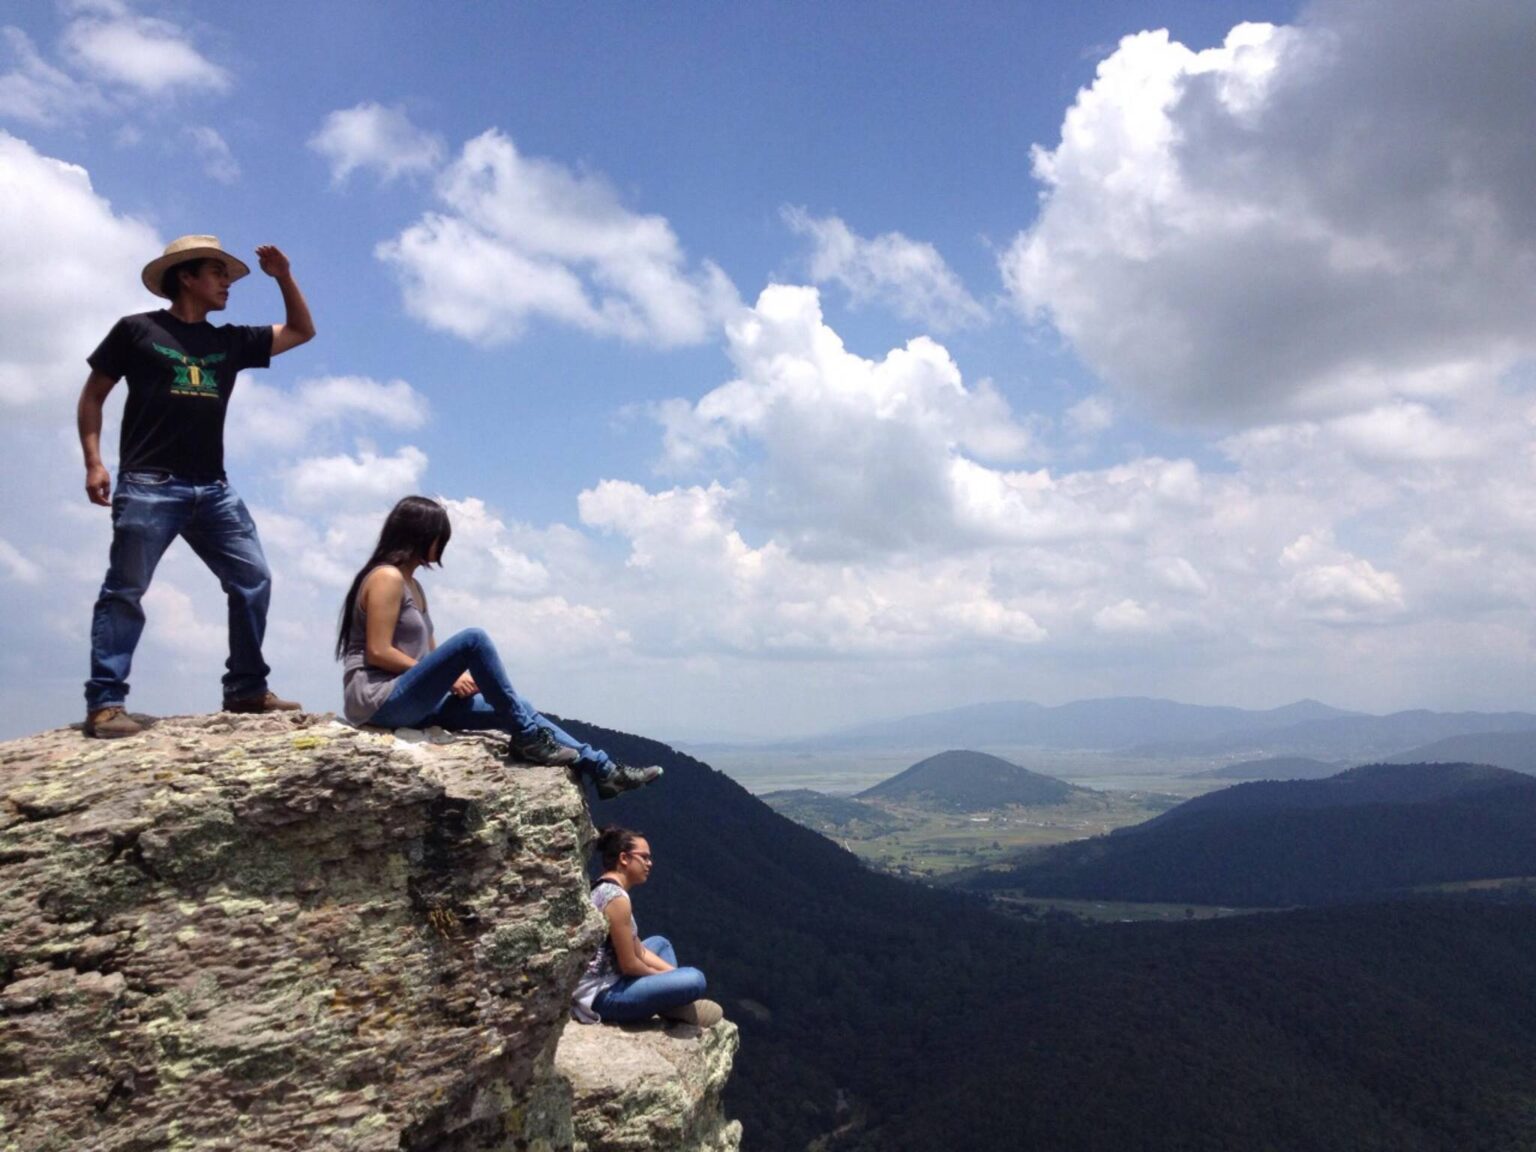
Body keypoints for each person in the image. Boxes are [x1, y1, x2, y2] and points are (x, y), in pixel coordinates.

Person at [79, 235, 316, 738]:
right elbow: (93, 395)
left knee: (254, 580)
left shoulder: (228, 341)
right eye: (217, 272)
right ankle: (105, 702)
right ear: (186, 276)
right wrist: (94, 462)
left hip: (213, 488)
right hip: (147, 483)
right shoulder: (135, 330)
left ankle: (246, 689)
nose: (227, 282)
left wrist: (284, 278)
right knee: (125, 591)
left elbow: (301, 330)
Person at [337, 496, 662, 799]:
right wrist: (448, 677)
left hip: (411, 701)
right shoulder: (386, 578)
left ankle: (602, 769)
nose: (443, 546)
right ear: (420, 535)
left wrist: (456, 677)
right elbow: (377, 652)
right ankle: (529, 738)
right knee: (474, 639)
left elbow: (430, 658)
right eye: (440, 537)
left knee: (518, 706)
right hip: (379, 700)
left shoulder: (414, 586)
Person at [571, 826, 721, 1027]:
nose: (650, 863)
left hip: (611, 980)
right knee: (695, 979)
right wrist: (670, 980)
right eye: (644, 857)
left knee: (661, 943)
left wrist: (671, 980)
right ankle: (671, 1004)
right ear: (624, 858)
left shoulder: (602, 886)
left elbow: (639, 951)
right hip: (603, 996)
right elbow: (629, 965)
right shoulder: (616, 899)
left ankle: (670, 1002)